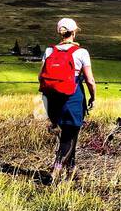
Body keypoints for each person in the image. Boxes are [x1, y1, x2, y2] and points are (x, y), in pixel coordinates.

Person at [38, 17, 97, 182]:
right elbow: (90, 81)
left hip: (52, 100)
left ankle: (71, 171)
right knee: (70, 135)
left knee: (68, 134)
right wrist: (93, 97)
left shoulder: (50, 51)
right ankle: (56, 170)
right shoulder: (81, 52)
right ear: (74, 33)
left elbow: (40, 77)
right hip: (73, 98)